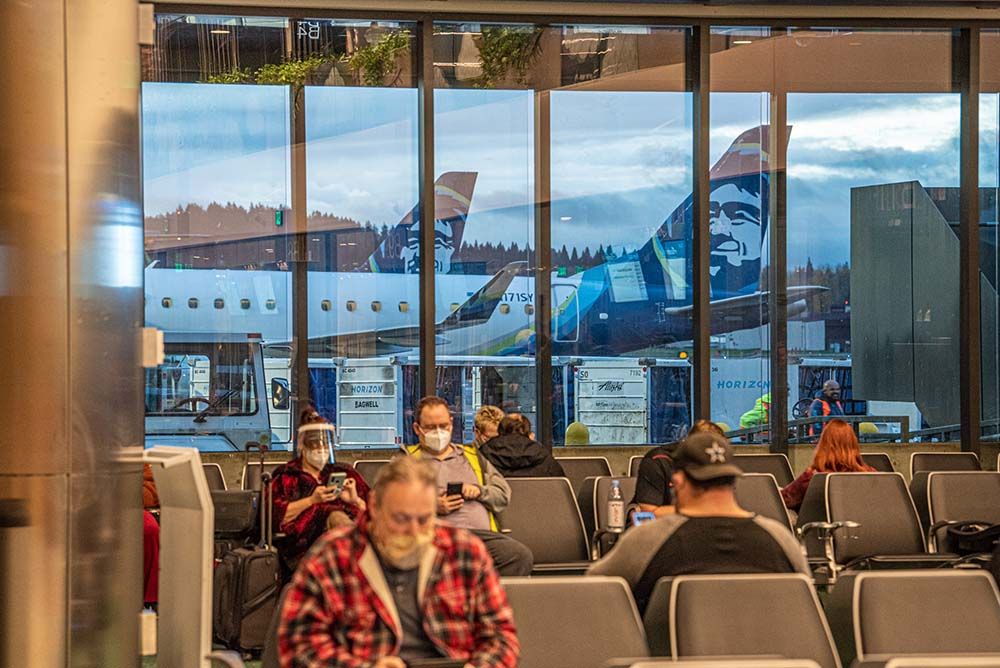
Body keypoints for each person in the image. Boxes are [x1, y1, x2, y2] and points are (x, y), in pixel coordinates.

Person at [278, 456, 520, 668]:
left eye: (424, 519)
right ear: (374, 507)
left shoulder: (465, 553)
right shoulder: (332, 556)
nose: (413, 531)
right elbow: (299, 646)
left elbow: (501, 638)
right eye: (401, 519)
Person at [588, 431, 809, 614]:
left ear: (678, 481)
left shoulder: (648, 539)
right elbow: (804, 606)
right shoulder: (780, 539)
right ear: (734, 482)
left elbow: (593, 590)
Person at [400, 396, 533, 576]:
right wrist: (431, 506)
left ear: (451, 424)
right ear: (417, 429)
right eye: (431, 427)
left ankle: (489, 601)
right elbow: (390, 507)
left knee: (518, 555)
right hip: (432, 536)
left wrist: (480, 491)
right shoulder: (407, 462)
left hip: (480, 537)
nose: (438, 432)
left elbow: (502, 495)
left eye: (443, 426)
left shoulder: (473, 457)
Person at [271, 421, 370, 575]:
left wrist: (355, 500)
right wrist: (312, 501)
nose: (322, 450)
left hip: (354, 536)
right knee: (334, 514)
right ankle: (355, 555)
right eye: (316, 446)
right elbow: (276, 516)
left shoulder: (344, 472)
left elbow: (375, 513)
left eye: (325, 446)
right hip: (304, 545)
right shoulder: (286, 477)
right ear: (303, 447)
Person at [629, 419, 724, 519]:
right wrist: (700, 509)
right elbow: (648, 513)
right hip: (660, 527)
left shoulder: (719, 461)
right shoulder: (658, 461)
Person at [781, 419, 874, 512]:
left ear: (823, 445)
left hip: (818, 524)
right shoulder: (872, 475)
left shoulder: (812, 477)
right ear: (854, 444)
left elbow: (783, 500)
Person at [479, 414, 565, 478]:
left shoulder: (482, 455)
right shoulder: (543, 456)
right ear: (529, 434)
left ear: (500, 431)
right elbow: (560, 490)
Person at [142, 464, 160, 608]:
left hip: (125, 507)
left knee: (149, 528)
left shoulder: (127, 450)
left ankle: (151, 600)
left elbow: (151, 489)